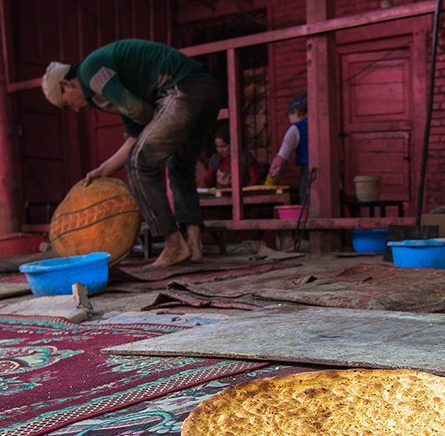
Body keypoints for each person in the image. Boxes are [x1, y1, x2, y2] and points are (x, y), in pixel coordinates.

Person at [42, 39, 222, 266]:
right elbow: (135, 136)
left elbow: (137, 111)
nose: (76, 110)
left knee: (139, 163)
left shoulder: (90, 71)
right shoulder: (111, 88)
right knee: (179, 165)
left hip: (183, 88)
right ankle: (195, 247)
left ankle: (174, 245)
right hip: (206, 88)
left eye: (68, 105)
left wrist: (151, 123)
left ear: (65, 85)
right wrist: (104, 169)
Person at [265, 94, 309, 202]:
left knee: (307, 205)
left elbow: (282, 157)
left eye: (290, 116)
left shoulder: (296, 128)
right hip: (330, 170)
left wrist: (271, 180)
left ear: (297, 113)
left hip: (308, 171)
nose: (289, 119)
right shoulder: (323, 124)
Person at [198, 123, 262, 190]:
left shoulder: (245, 157)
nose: (221, 150)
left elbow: (255, 179)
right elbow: (208, 179)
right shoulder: (215, 159)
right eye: (218, 147)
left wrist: (244, 191)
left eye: (224, 146)